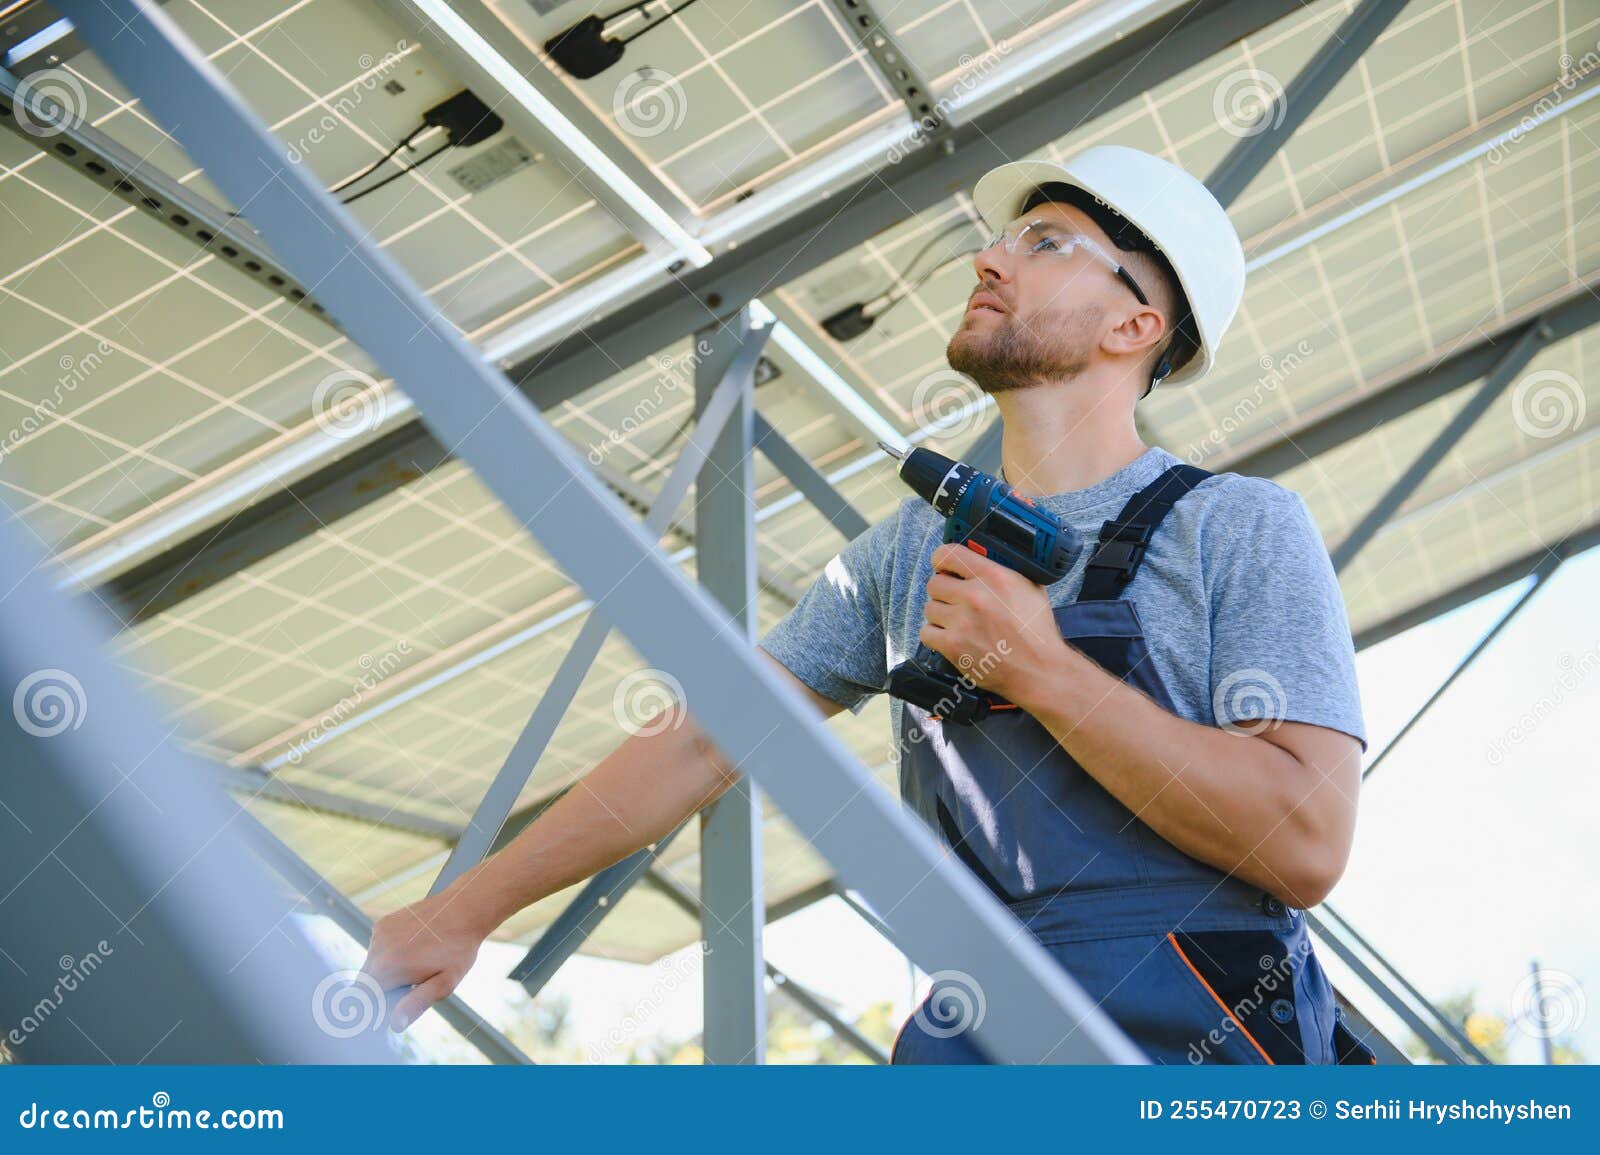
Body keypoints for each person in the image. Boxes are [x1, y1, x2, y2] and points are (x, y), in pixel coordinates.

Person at [364, 144, 1374, 1065]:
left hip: (1204, 1033)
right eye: (1003, 237)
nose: (989, 258)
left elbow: (1305, 844)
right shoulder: (908, 551)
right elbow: (706, 738)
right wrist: (466, 910)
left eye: (1045, 242)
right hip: (982, 1033)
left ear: (1136, 324)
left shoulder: (1236, 527)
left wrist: (1042, 671)